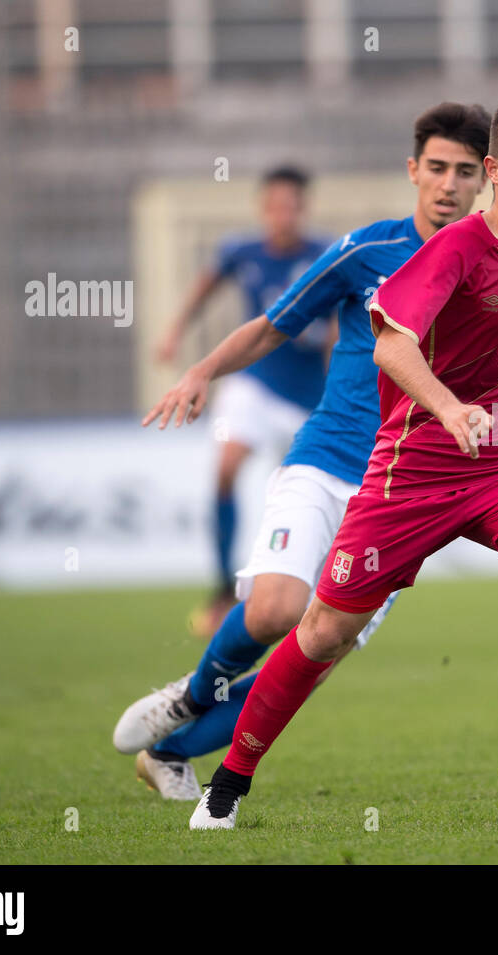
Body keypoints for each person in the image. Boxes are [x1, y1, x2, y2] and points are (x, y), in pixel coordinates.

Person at [189, 97, 498, 830]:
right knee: (322, 634)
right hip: (415, 473)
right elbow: (393, 343)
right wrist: (449, 407)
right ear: (496, 173)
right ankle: (230, 781)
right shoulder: (455, 250)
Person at [114, 104, 493, 799]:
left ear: (485, 180)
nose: (448, 184)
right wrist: (200, 371)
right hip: (324, 460)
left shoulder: (496, 270)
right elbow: (273, 325)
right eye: (436, 167)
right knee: (274, 611)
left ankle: (169, 751)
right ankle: (192, 695)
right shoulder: (365, 252)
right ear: (414, 171)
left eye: (465, 172)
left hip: (403, 496)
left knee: (315, 651)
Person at [154, 166, 334, 637]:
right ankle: (219, 588)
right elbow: (204, 288)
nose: (283, 215)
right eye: (275, 205)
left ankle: (315, 596)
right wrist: (174, 333)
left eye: (292, 206)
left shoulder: (326, 256)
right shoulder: (242, 252)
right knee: (227, 468)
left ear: (303, 209)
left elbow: (339, 323)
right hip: (253, 385)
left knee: (305, 494)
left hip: (308, 398)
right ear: (263, 209)